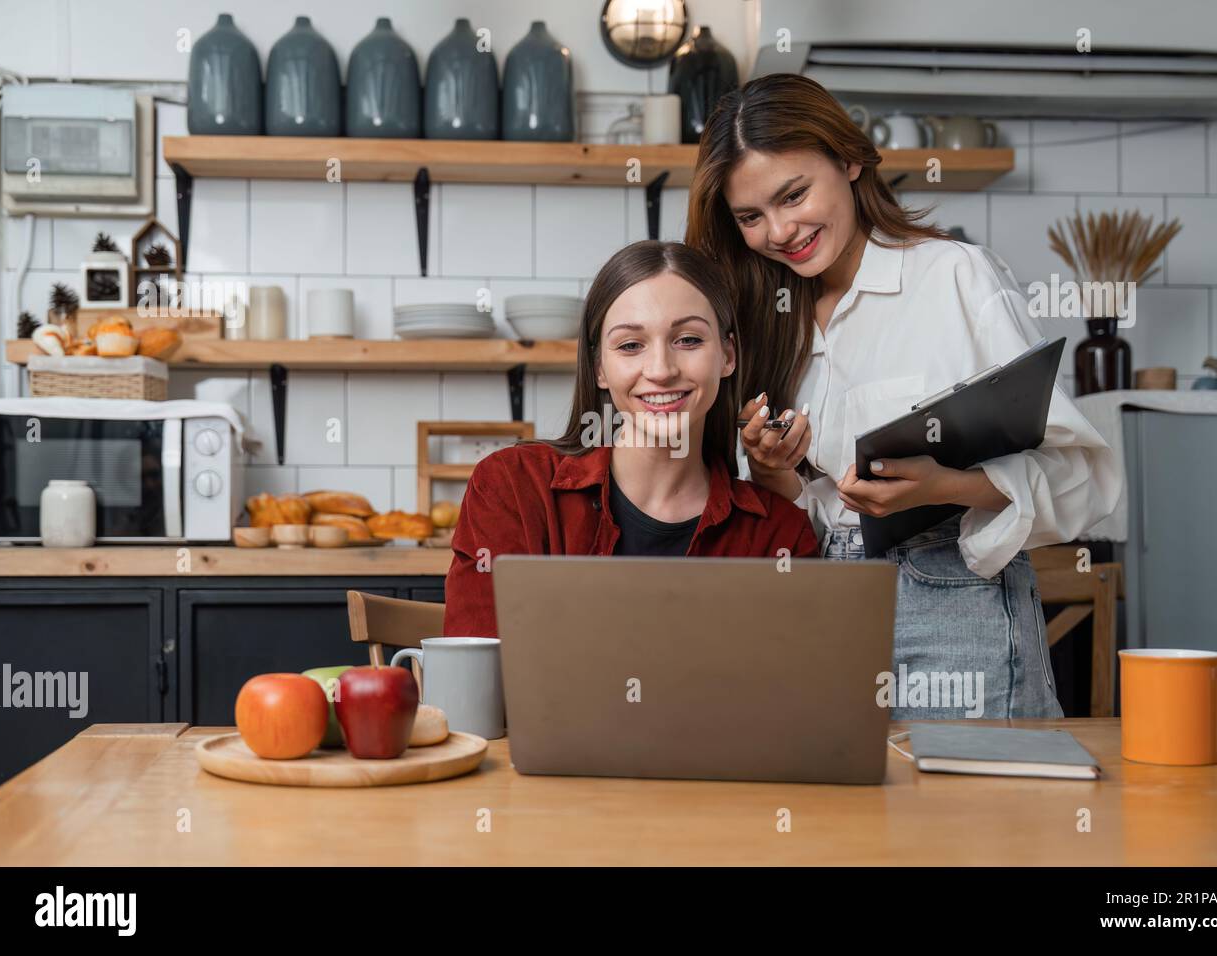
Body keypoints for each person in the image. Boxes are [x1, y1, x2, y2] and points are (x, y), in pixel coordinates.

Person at [685, 73, 1122, 718]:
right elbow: (807, 518)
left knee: (975, 815)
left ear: (851, 160)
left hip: (954, 601)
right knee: (844, 817)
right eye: (751, 216)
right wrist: (775, 473)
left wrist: (943, 486)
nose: (779, 231)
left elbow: (1084, 481)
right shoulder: (762, 317)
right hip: (819, 608)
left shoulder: (952, 275)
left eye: (794, 194)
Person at [443, 240, 820, 637]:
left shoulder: (778, 534)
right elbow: (475, 676)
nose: (660, 370)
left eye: (688, 340)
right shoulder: (514, 487)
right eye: (630, 345)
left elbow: (791, 691)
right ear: (600, 369)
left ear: (727, 355)